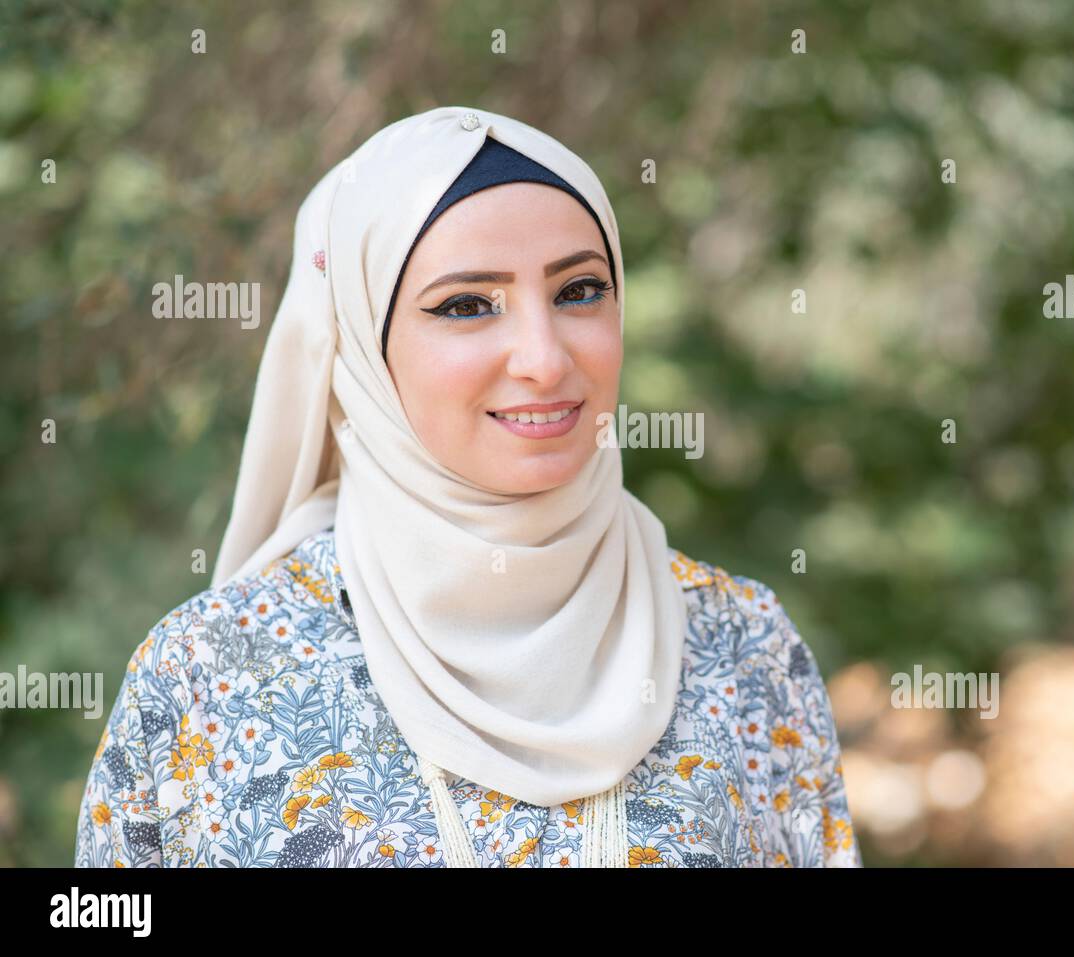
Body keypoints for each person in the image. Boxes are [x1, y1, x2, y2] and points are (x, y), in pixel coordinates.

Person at [73, 106, 863, 868]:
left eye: (579, 290)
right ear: (364, 351)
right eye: (466, 305)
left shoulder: (745, 645)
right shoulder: (209, 672)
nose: (544, 358)